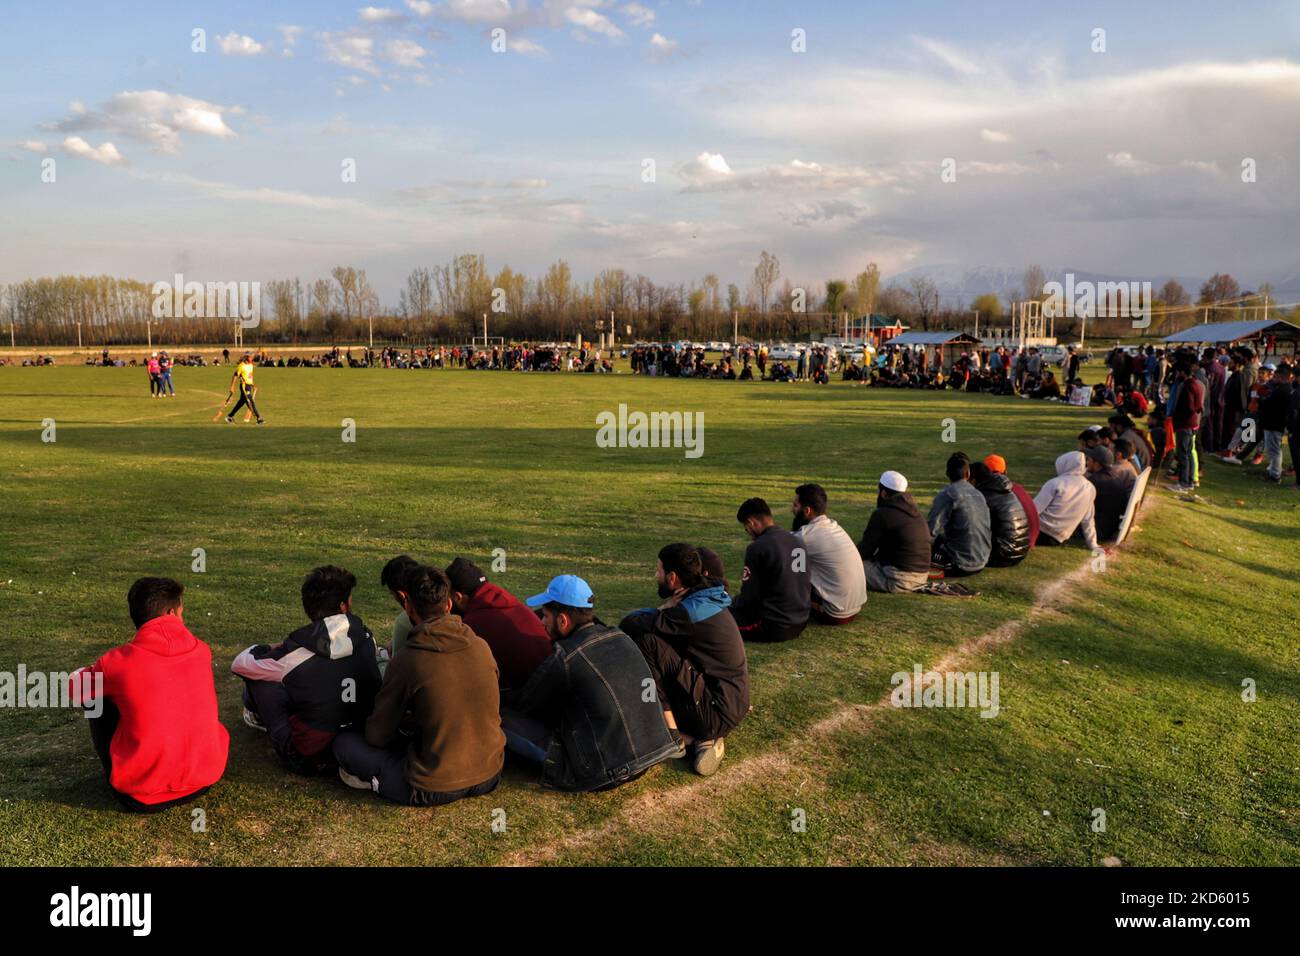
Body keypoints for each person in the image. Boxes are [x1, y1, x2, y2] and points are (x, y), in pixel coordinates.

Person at [333, 566, 504, 805]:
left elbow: (377, 736)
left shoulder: (408, 659)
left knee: (345, 744)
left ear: (408, 607)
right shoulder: (481, 646)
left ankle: (377, 779)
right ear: (448, 605)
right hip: (491, 772)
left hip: (433, 785)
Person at [501, 575, 679, 791]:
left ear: (563, 620)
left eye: (546, 616)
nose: (541, 622)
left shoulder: (566, 656)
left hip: (603, 772)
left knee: (502, 715)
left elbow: (525, 703)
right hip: (651, 754)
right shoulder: (622, 636)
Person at [68, 577, 229, 812]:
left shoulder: (118, 663)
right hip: (205, 779)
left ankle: (124, 768)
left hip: (141, 796)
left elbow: (75, 690)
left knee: (95, 697)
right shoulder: (201, 650)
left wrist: (85, 672)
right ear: (172, 612)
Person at [231, 566, 381, 775]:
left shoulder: (293, 654)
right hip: (359, 738)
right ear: (344, 606)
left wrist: (266, 648)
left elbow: (240, 664)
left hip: (313, 756)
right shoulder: (366, 637)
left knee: (261, 680)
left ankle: (257, 715)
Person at [620, 544, 750, 776]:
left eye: (658, 570)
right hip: (728, 701)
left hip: (716, 709)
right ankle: (701, 738)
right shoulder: (706, 597)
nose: (655, 575)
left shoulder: (688, 612)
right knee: (662, 650)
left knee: (648, 642)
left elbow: (630, 623)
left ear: (672, 577)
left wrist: (666, 607)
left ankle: (675, 736)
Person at [445, 556, 552, 693]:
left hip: (531, 696)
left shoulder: (472, 624)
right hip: (548, 682)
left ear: (457, 597)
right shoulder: (503, 599)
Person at [731, 497, 811, 641]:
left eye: (746, 527)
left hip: (775, 626)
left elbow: (749, 598)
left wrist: (730, 603)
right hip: (801, 620)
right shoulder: (797, 540)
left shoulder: (758, 548)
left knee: (719, 622)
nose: (747, 531)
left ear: (751, 522)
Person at [791, 483, 868, 623]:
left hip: (834, 613)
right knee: (799, 559)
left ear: (807, 510)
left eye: (795, 505)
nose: (792, 510)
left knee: (790, 569)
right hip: (855, 606)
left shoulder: (806, 535)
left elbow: (780, 545)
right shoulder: (833, 526)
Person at [856, 470, 932, 592]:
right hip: (922, 576)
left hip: (898, 580)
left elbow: (864, 551)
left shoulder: (882, 514)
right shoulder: (915, 511)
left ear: (884, 493)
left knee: (848, 566)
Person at [927, 453, 992, 576]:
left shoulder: (947, 495)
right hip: (983, 560)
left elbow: (930, 531)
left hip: (959, 564)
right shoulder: (979, 494)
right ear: (967, 474)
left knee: (915, 546)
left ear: (947, 474)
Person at [1033, 451, 1099, 550]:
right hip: (1058, 539)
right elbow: (1088, 520)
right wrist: (1093, 544)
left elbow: (1033, 510)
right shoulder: (1090, 488)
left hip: (1038, 531)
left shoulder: (1055, 483)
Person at [969, 461, 1030, 566]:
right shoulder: (1006, 490)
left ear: (973, 481)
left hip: (1001, 555)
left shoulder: (983, 495)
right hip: (1020, 552)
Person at [983, 454, 1039, 548]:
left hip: (1014, 545)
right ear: (1005, 471)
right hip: (1028, 540)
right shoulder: (1018, 488)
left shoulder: (994, 492)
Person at [1084, 446, 1136, 543]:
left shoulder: (1094, 481)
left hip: (1097, 531)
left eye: (1089, 460)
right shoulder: (1115, 477)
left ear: (1097, 464)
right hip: (1111, 528)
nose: (1087, 462)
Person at [1170, 358, 1204, 491]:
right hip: (1194, 422)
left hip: (1185, 424)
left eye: (1178, 372)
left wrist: (1177, 418)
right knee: (1189, 452)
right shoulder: (1198, 383)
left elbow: (1189, 406)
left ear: (1182, 372)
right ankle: (1190, 481)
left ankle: (1184, 482)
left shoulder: (1187, 386)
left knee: (1183, 453)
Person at [380, 554, 421, 655]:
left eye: (392, 594)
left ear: (401, 595)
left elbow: (395, 666)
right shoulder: (443, 606)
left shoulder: (404, 622)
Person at [223, 351, 265, 425]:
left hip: (248, 386)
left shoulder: (251, 365)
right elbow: (235, 376)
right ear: (246, 357)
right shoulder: (241, 366)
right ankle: (259, 418)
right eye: (250, 356)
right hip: (244, 386)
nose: (252, 357)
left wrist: (253, 385)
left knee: (241, 402)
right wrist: (232, 387)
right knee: (250, 401)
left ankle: (229, 416)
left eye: (252, 356)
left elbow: (249, 376)